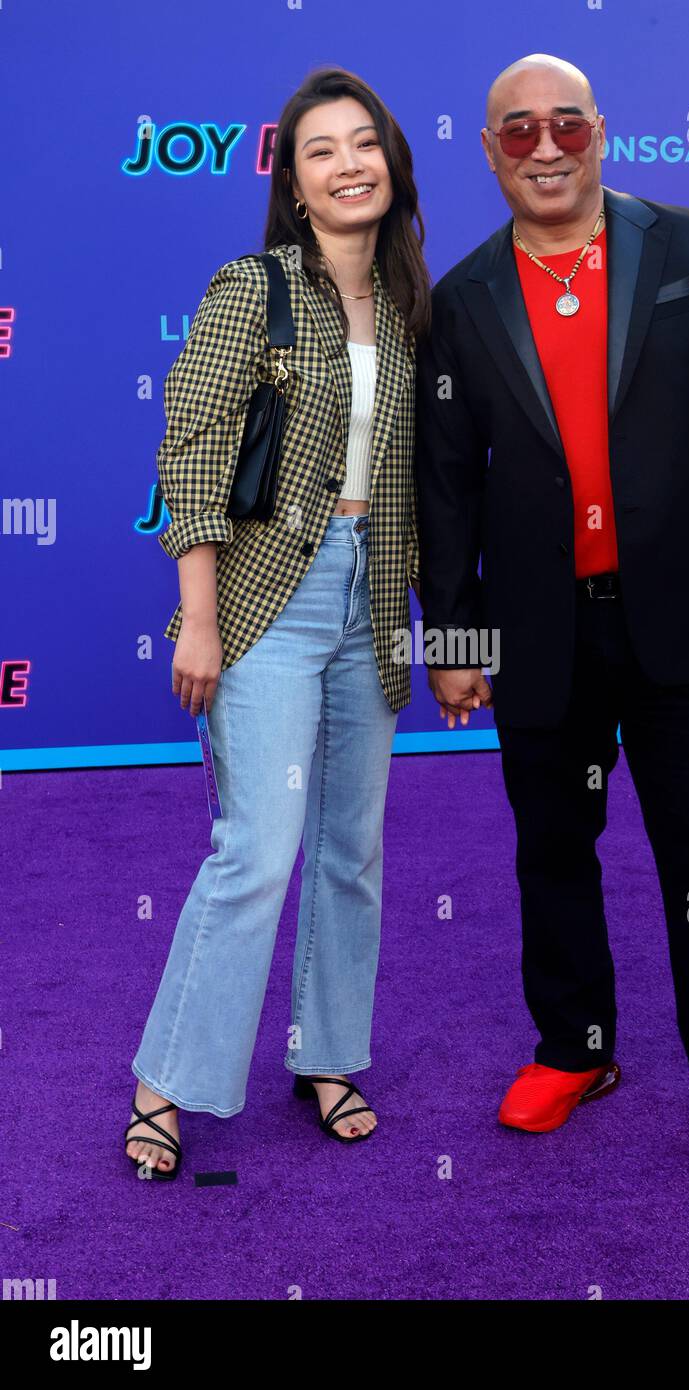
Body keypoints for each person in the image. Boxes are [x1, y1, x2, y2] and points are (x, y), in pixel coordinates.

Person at [415, 54, 689, 1167]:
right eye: (518, 131)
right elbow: (444, 485)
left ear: (602, 133)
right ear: (490, 150)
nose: (545, 147)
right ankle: (575, 1047)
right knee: (554, 847)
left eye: (566, 126)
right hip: (544, 631)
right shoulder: (460, 300)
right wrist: (452, 637)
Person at [125, 67, 429, 1177]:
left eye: (365, 144)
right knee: (257, 848)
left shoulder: (406, 308)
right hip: (268, 596)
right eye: (321, 151)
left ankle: (327, 1054)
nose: (349, 164)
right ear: (295, 186)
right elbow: (193, 451)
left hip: (371, 595)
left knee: (352, 847)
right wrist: (195, 618)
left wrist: (435, 628)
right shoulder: (252, 287)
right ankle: (168, 1083)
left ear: (391, 166)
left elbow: (417, 483)